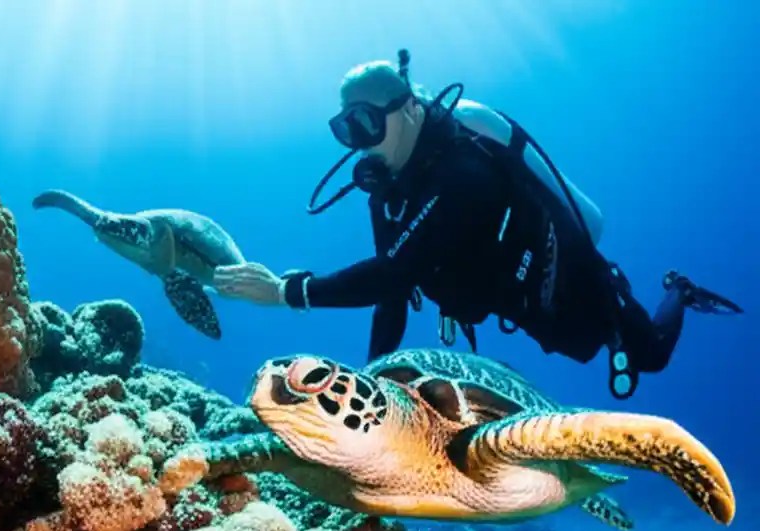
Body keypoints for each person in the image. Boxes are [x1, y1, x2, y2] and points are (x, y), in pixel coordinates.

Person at [214, 50, 742, 400]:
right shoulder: (391, 191)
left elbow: (396, 273)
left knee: (648, 355)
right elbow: (392, 291)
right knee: (575, 345)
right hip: (522, 304)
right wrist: (377, 381)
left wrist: (289, 291)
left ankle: (680, 291)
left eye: (367, 123)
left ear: (410, 109)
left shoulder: (463, 171)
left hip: (574, 277)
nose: (360, 142)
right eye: (345, 129)